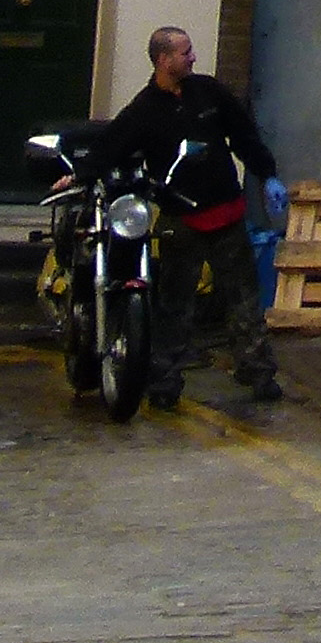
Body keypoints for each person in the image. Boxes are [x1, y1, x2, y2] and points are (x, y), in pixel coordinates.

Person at [88, 25, 288, 410]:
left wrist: (267, 174)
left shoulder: (209, 92)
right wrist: (80, 174)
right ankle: (164, 380)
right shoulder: (143, 111)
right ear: (163, 61)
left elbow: (244, 135)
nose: (192, 58)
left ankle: (258, 371)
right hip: (181, 219)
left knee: (243, 299)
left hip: (227, 213)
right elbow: (109, 149)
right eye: (185, 52)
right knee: (174, 306)